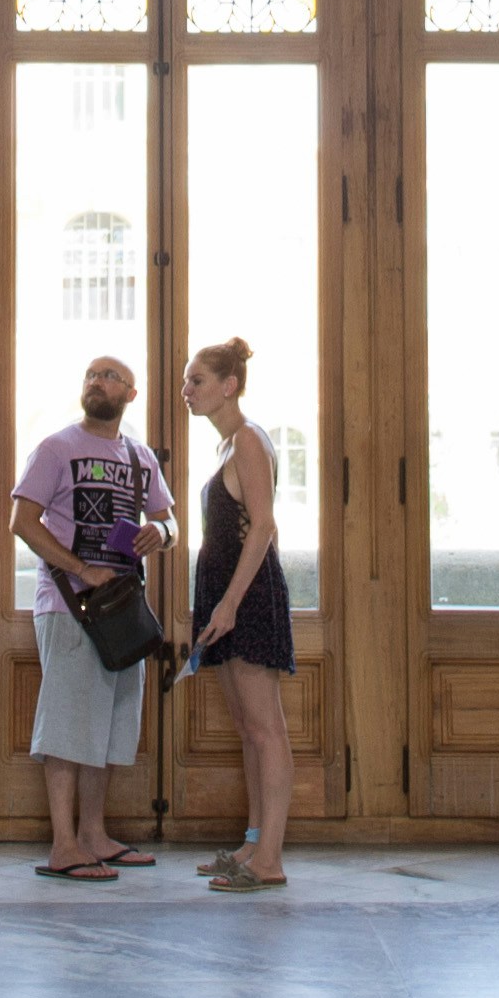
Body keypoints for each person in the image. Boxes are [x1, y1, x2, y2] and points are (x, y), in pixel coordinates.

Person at [10, 351, 172, 881]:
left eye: (110, 377)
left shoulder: (139, 457)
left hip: (123, 611)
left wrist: (161, 534)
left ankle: (94, 836)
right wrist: (81, 568)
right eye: (91, 375)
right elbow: (23, 522)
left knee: (106, 725)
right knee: (66, 725)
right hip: (68, 607)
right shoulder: (55, 448)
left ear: (129, 394)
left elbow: (167, 522)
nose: (97, 382)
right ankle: (63, 845)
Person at [181, 336, 295, 893]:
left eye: (196, 381)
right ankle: (253, 842)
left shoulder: (248, 440)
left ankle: (269, 858)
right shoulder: (226, 446)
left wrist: (229, 603)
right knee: (249, 732)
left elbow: (264, 526)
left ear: (229, 386)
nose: (186, 391)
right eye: (186, 381)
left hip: (247, 600)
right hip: (226, 600)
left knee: (266, 730)